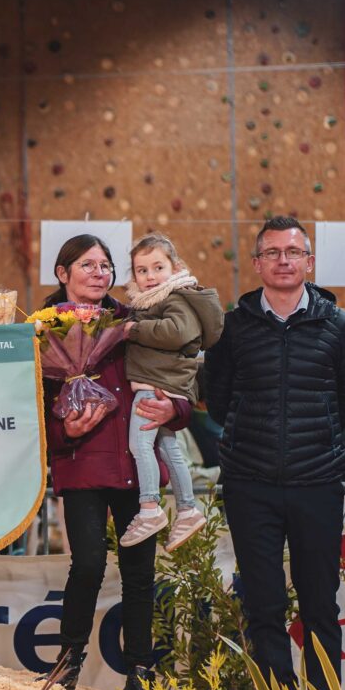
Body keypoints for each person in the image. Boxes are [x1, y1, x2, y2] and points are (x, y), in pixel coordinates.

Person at [204, 215, 345, 690]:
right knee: (264, 606)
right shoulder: (232, 328)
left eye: (292, 252)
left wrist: (312, 444)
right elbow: (217, 398)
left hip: (317, 482)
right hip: (250, 484)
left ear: (309, 262)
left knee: (320, 606)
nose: (283, 261)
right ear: (256, 264)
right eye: (272, 253)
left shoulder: (339, 326)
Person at [40, 236, 191, 690]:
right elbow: (30, 413)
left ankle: (140, 670)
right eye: (87, 264)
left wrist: (175, 411)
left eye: (105, 265)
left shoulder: (136, 321)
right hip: (82, 465)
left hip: (137, 470)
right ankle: (67, 664)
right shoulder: (41, 330)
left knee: (140, 573)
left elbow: (179, 381)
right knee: (86, 565)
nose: (98, 272)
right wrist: (68, 431)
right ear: (62, 273)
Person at [116, 233, 223, 551]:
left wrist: (134, 330)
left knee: (140, 445)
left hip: (154, 385)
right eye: (142, 270)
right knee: (169, 448)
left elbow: (178, 332)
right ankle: (188, 509)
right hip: (165, 384)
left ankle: (149, 507)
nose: (150, 277)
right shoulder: (157, 299)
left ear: (174, 267)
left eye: (157, 267)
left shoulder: (174, 297)